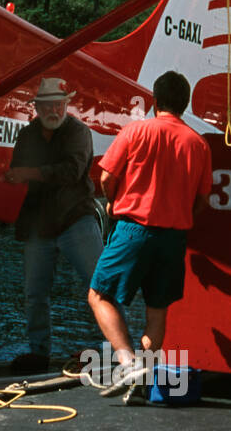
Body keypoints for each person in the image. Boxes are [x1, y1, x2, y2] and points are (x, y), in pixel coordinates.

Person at [87, 70, 212, 396]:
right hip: (173, 238)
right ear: (186, 104)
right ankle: (142, 382)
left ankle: (128, 364)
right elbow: (202, 200)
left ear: (154, 101)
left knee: (99, 295)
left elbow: (104, 178)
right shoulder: (198, 144)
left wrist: (114, 201)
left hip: (134, 229)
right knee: (157, 310)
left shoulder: (136, 131)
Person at [4, 76, 103, 374]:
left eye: (60, 105)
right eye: (49, 105)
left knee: (100, 286)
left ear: (66, 106)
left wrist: (29, 173)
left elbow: (72, 172)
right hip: (39, 225)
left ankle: (111, 349)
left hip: (77, 219)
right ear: (37, 107)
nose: (55, 110)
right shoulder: (27, 135)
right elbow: (17, 174)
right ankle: (38, 353)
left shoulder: (79, 132)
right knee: (34, 293)